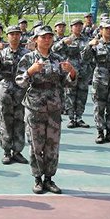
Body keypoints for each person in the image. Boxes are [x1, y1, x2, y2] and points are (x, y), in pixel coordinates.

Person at [16, 26, 77, 194]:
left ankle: (49, 178)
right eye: (43, 37)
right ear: (36, 39)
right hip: (35, 105)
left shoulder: (58, 59)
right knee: (36, 144)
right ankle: (37, 178)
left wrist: (71, 72)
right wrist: (30, 71)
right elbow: (20, 81)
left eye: (50, 37)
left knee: (52, 144)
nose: (47, 39)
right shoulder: (28, 59)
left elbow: (67, 82)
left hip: (54, 106)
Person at [0, 25, 29, 164]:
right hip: (5, 89)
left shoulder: (26, 53)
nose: (15, 37)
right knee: (5, 121)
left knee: (20, 122)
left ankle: (17, 151)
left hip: (21, 91)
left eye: (17, 34)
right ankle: (6, 151)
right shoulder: (2, 52)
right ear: (7, 36)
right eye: (12, 34)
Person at [82, 20, 110, 144]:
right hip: (100, 78)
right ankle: (100, 132)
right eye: (106, 28)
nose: (109, 31)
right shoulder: (95, 44)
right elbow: (84, 59)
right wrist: (89, 46)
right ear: (101, 30)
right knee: (99, 107)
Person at [53, 19, 92, 128]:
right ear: (71, 28)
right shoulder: (67, 40)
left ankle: (79, 118)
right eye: (75, 26)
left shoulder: (87, 40)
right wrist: (63, 43)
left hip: (84, 72)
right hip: (71, 72)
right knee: (70, 95)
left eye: (80, 25)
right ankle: (71, 118)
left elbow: (90, 55)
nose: (78, 27)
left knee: (82, 95)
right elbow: (54, 49)